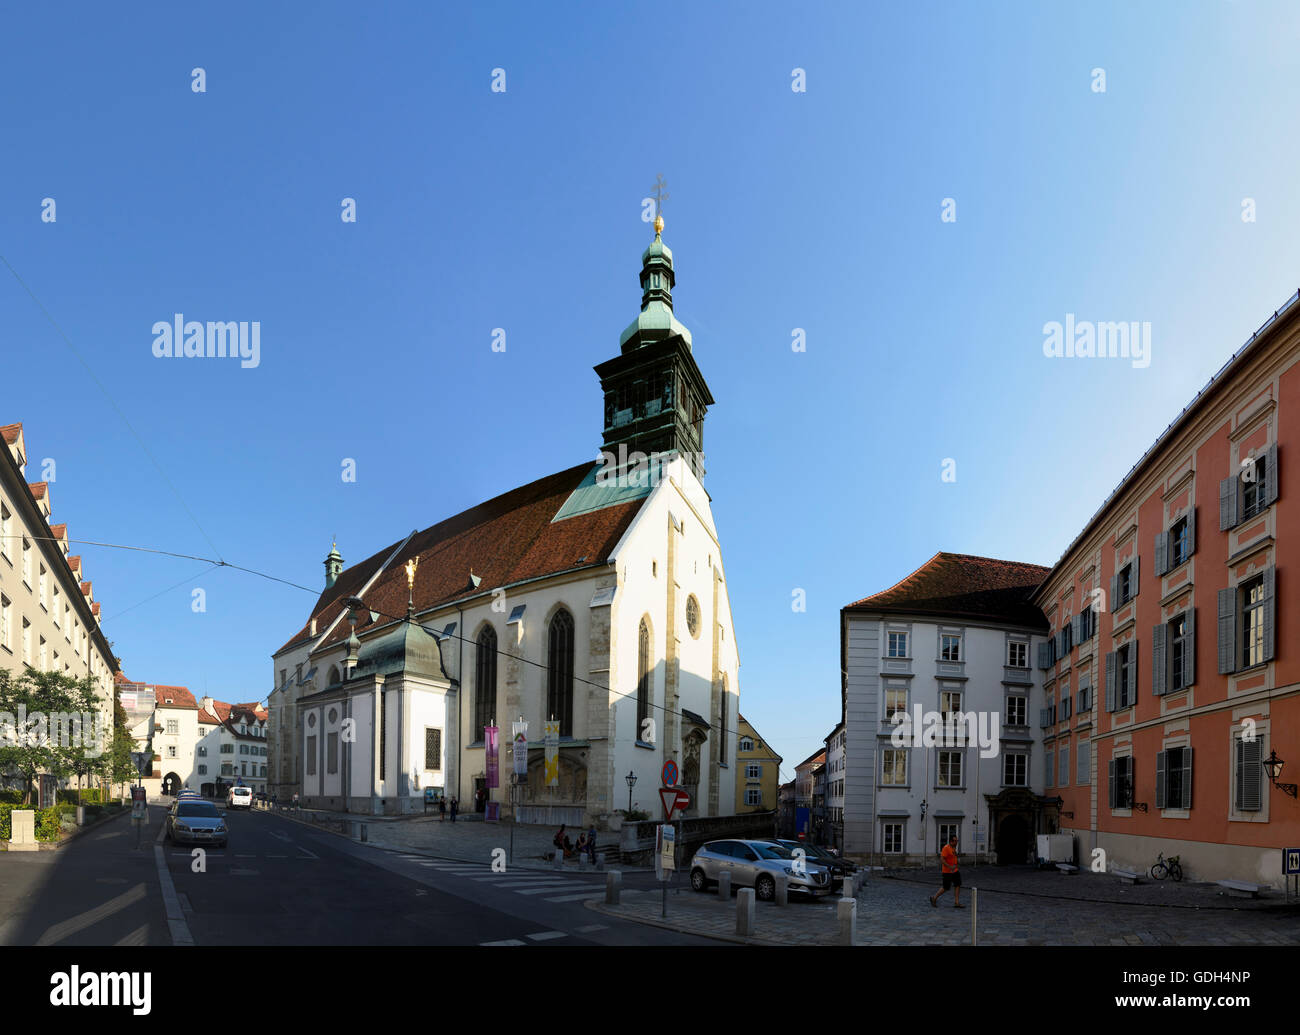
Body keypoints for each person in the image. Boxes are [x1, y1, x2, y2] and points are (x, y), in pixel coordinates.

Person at [930, 834, 963, 908]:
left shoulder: (953, 848)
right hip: (947, 871)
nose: (956, 842)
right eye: (955, 841)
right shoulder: (946, 848)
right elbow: (942, 859)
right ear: (951, 841)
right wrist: (950, 867)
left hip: (955, 870)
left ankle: (956, 902)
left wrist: (956, 863)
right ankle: (934, 898)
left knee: (958, 884)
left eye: (957, 841)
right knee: (946, 887)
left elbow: (953, 857)